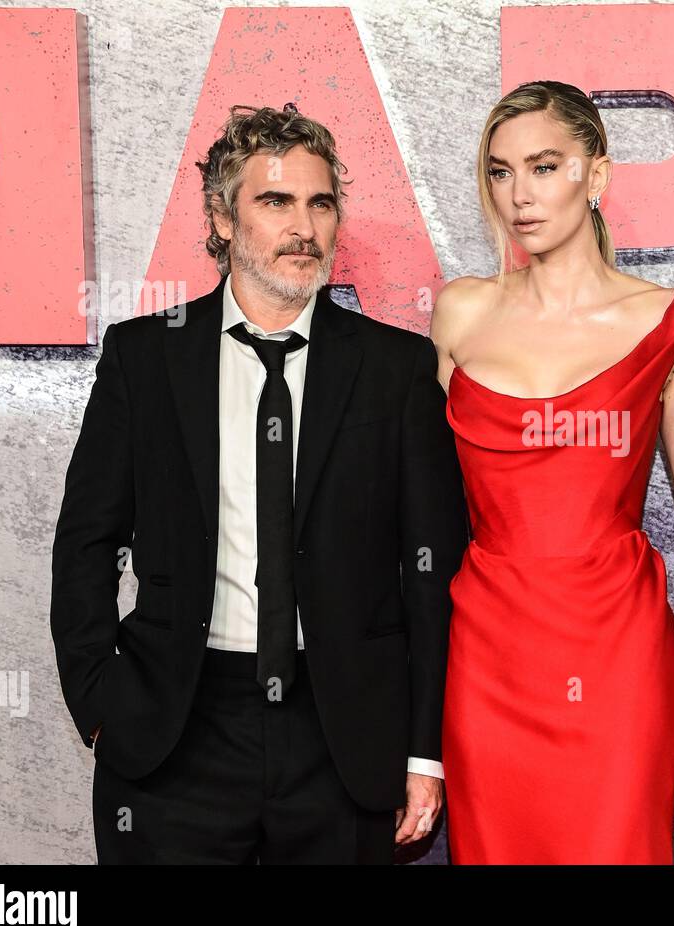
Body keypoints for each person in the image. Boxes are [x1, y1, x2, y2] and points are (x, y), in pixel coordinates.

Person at [50, 104, 468, 863]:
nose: (302, 226)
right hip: (176, 731)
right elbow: (86, 542)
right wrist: (101, 702)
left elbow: (432, 573)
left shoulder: (396, 370)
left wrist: (422, 752)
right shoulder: (145, 359)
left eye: (320, 202)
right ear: (220, 216)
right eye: (275, 201)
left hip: (342, 737)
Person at [429, 81, 674, 863]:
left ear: (597, 176)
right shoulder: (458, 314)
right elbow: (413, 501)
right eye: (500, 171)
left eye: (545, 167)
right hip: (488, 655)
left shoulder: (669, 322)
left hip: (616, 658)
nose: (519, 196)